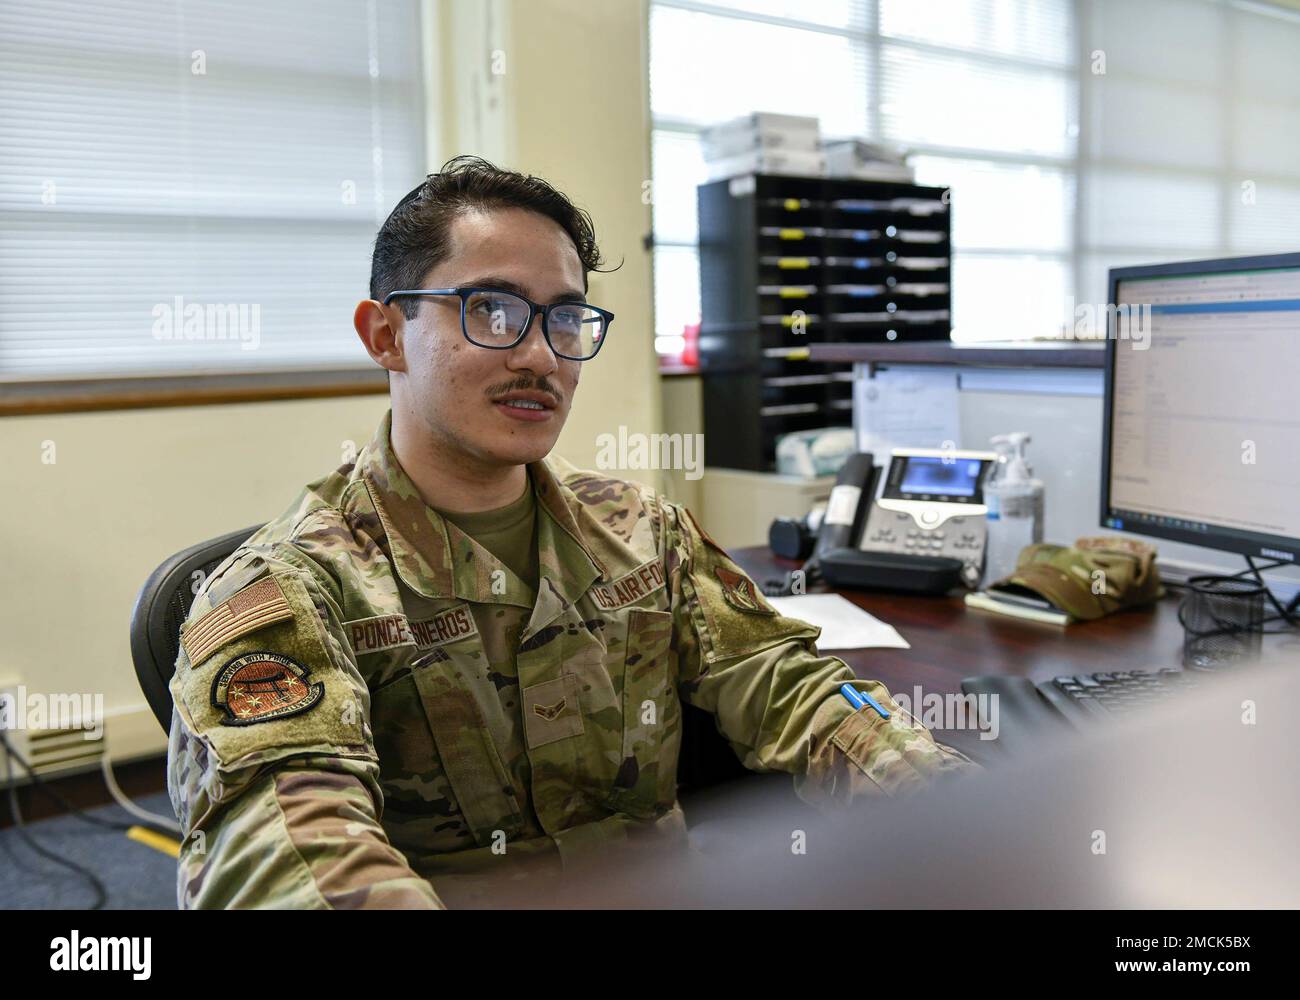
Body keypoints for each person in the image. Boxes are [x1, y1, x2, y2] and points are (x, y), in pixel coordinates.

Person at [166, 155, 976, 909]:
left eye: (565, 320)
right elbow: (292, 855)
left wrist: (952, 806)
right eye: (492, 311)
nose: (541, 358)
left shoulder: (641, 532)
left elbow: (790, 688)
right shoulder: (287, 589)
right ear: (386, 335)